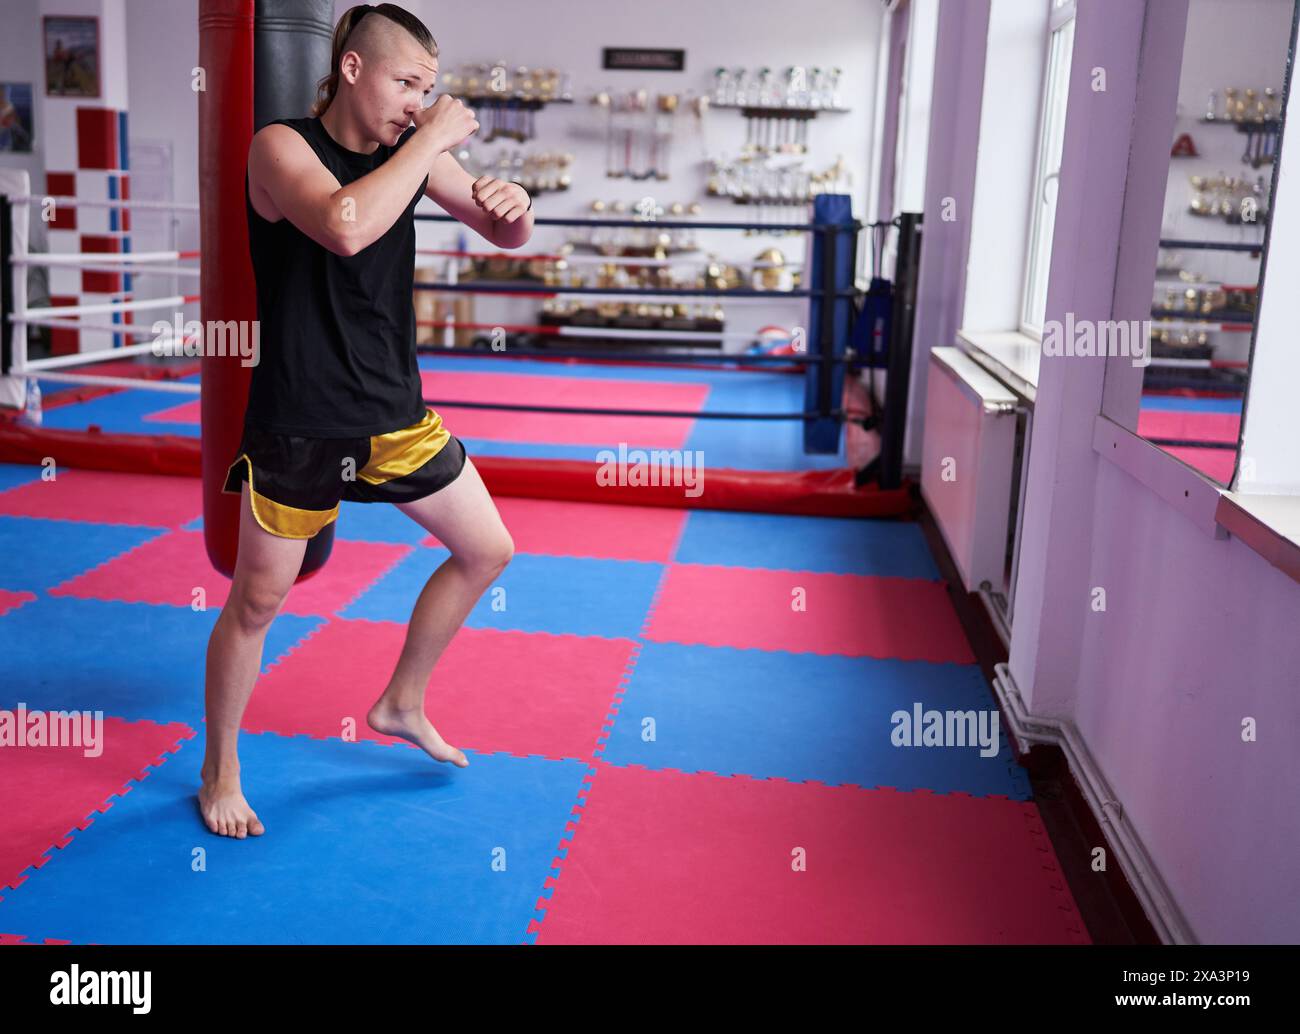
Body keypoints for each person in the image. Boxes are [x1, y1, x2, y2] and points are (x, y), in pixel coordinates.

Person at [200, 3, 533, 839]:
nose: (420, 102)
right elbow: (344, 226)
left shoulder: (406, 151)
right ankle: (220, 773)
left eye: (430, 86)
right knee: (255, 603)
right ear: (353, 69)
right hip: (299, 418)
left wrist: (513, 201)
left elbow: (505, 233)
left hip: (393, 411)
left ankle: (400, 701)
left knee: (488, 547)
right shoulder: (279, 147)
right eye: (408, 82)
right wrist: (428, 145)